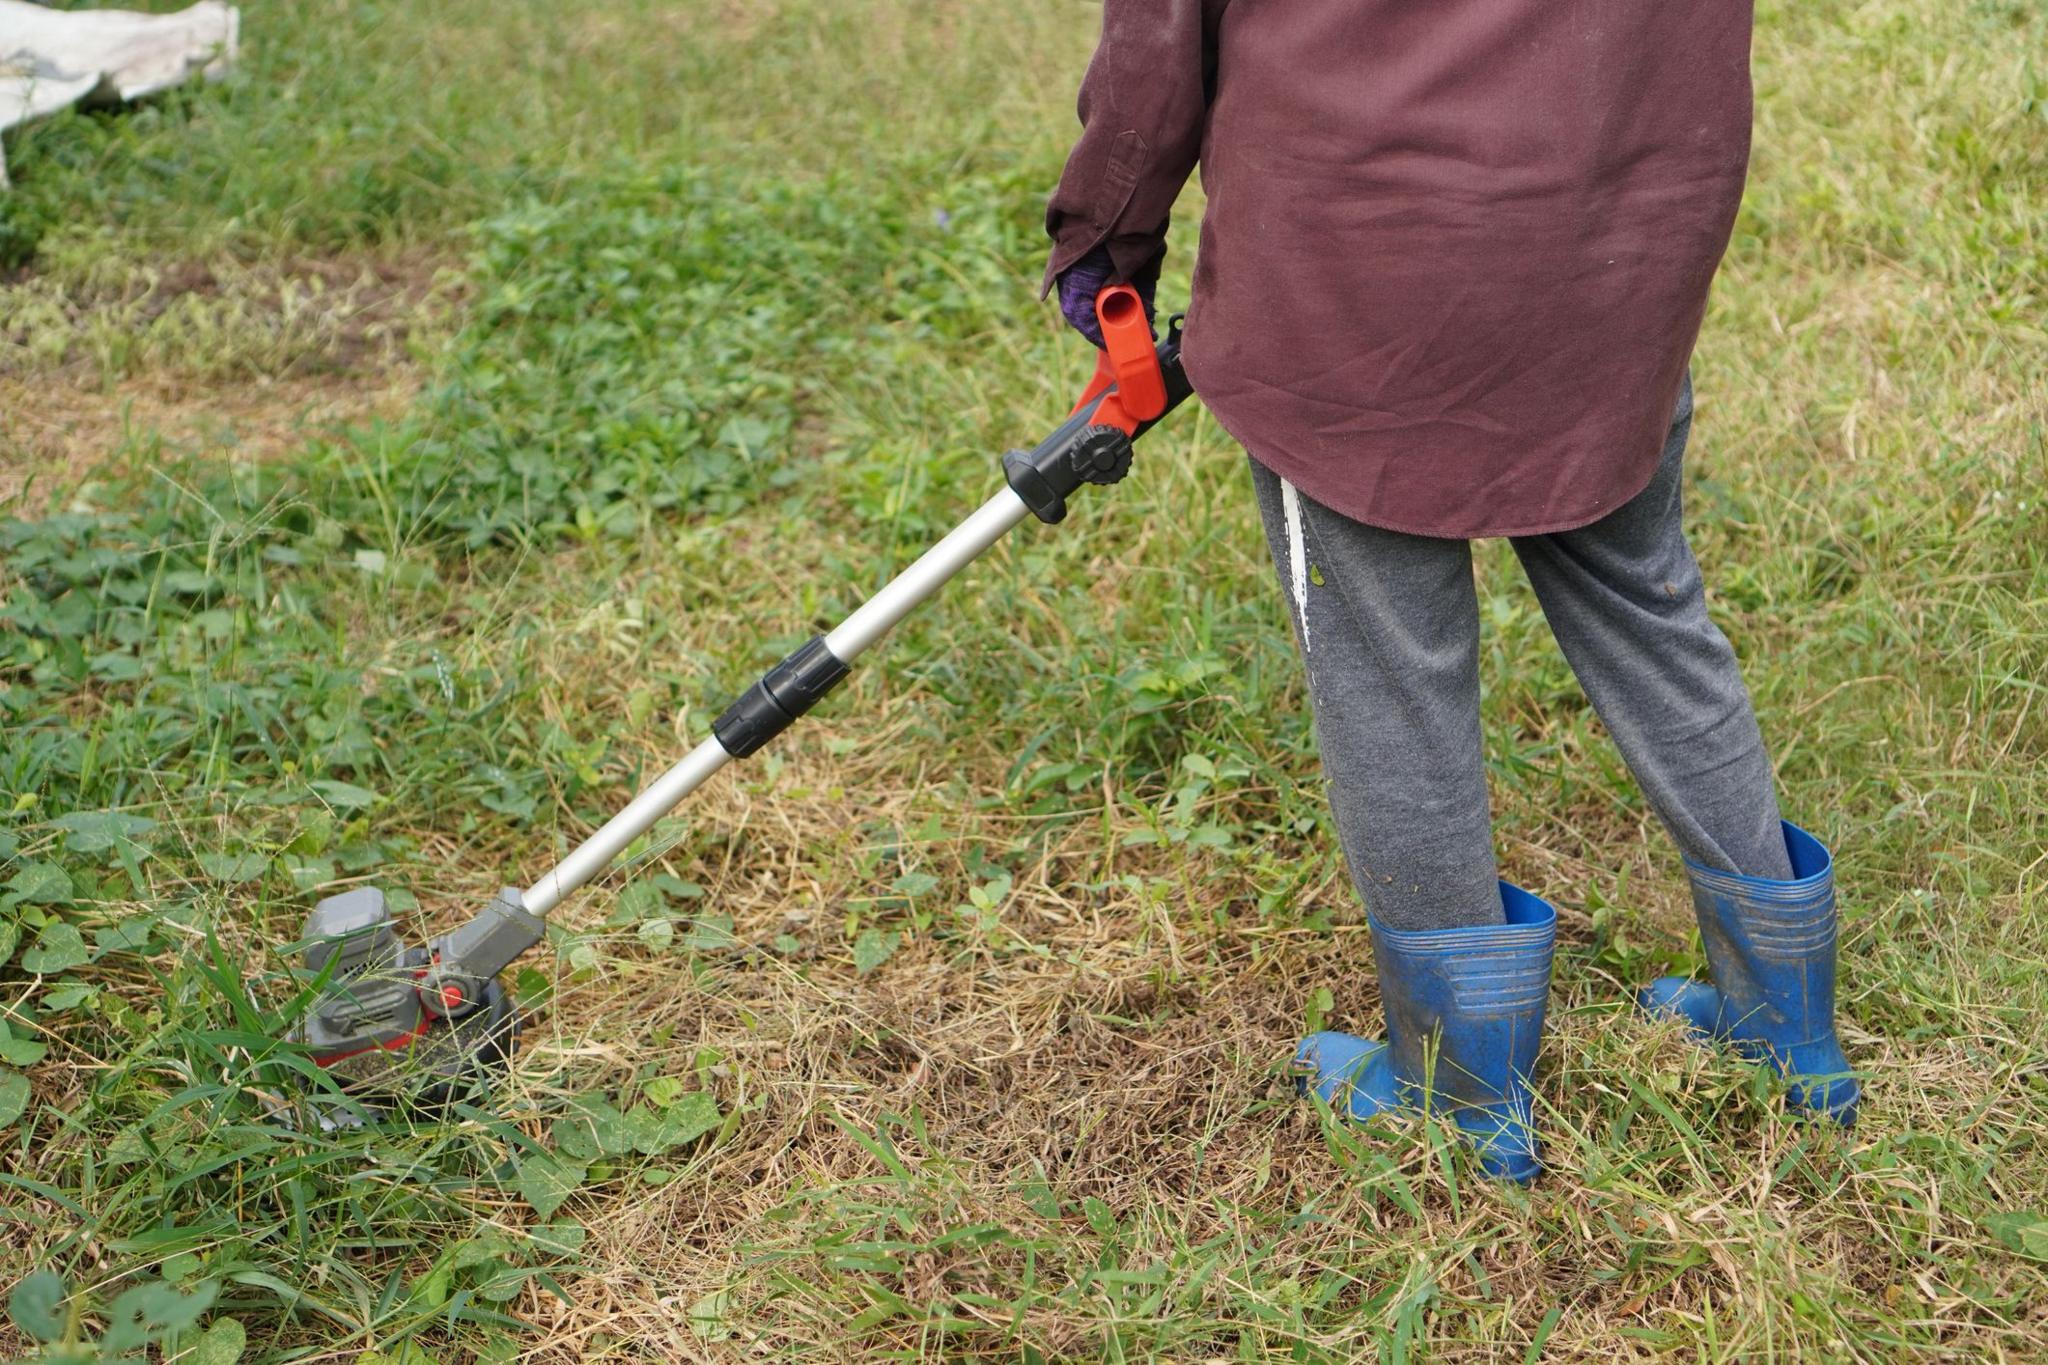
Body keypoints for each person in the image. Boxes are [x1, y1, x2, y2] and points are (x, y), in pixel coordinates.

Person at [1042, 0, 1857, 1182]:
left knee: (1391, 671)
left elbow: (1159, 34)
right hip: (1614, 242)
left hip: (1361, 270)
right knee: (1646, 604)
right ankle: (1787, 1026)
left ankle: (1462, 1095)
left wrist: (1107, 243)